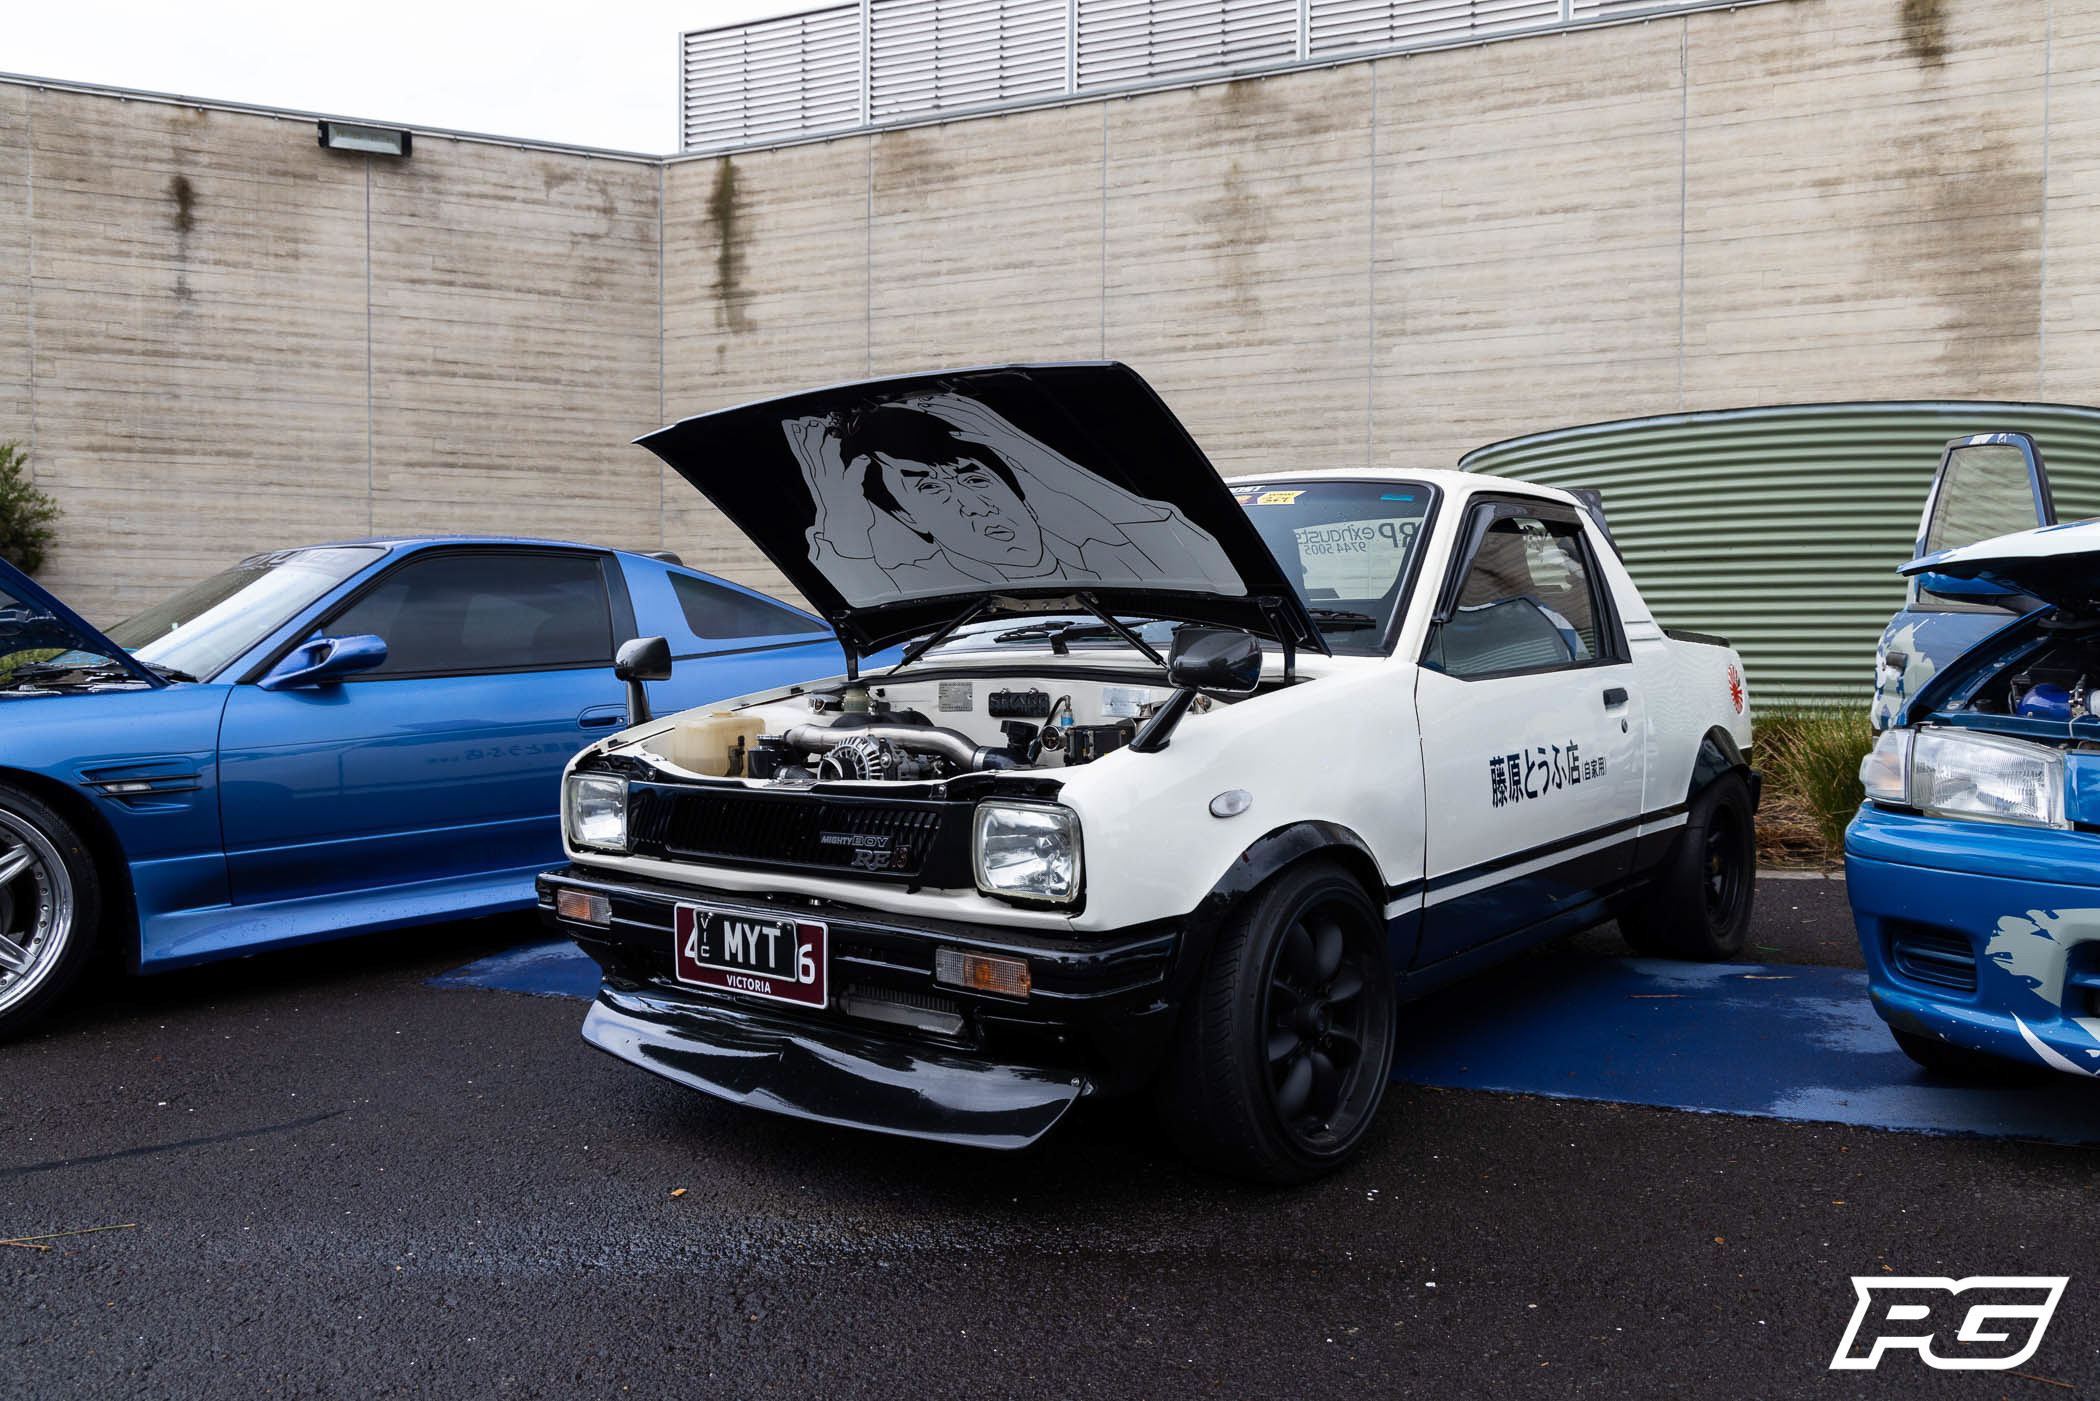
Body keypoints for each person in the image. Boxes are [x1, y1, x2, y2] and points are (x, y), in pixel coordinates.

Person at [780, 391, 1242, 605]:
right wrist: (836, 507)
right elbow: (854, 580)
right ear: (907, 517)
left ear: (1014, 482)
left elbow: (1218, 573)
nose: (975, 504)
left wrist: (1019, 445)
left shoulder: (1133, 558)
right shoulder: (916, 599)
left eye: (974, 477)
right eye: (929, 488)